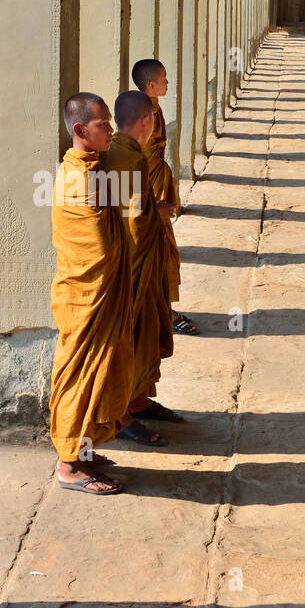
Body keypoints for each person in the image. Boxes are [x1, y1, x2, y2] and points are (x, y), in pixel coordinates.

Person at [49, 92, 135, 495]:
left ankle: (84, 449)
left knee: (102, 374)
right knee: (81, 377)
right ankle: (69, 466)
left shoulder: (90, 166)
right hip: (86, 297)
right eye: (104, 126)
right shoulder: (78, 180)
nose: (111, 131)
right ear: (80, 131)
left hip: (102, 295)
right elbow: (97, 252)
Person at [103, 89, 181, 441]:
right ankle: (120, 414)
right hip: (132, 266)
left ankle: (136, 400)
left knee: (144, 333)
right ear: (147, 120)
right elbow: (134, 221)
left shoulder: (122, 150)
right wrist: (159, 212)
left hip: (139, 263)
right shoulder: (127, 158)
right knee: (130, 338)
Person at [132, 57, 198, 335]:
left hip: (156, 184)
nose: (167, 83)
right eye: (163, 79)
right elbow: (137, 158)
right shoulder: (141, 114)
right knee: (155, 254)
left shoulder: (153, 109)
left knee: (164, 252)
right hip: (146, 190)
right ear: (151, 84)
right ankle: (162, 313)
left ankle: (161, 309)